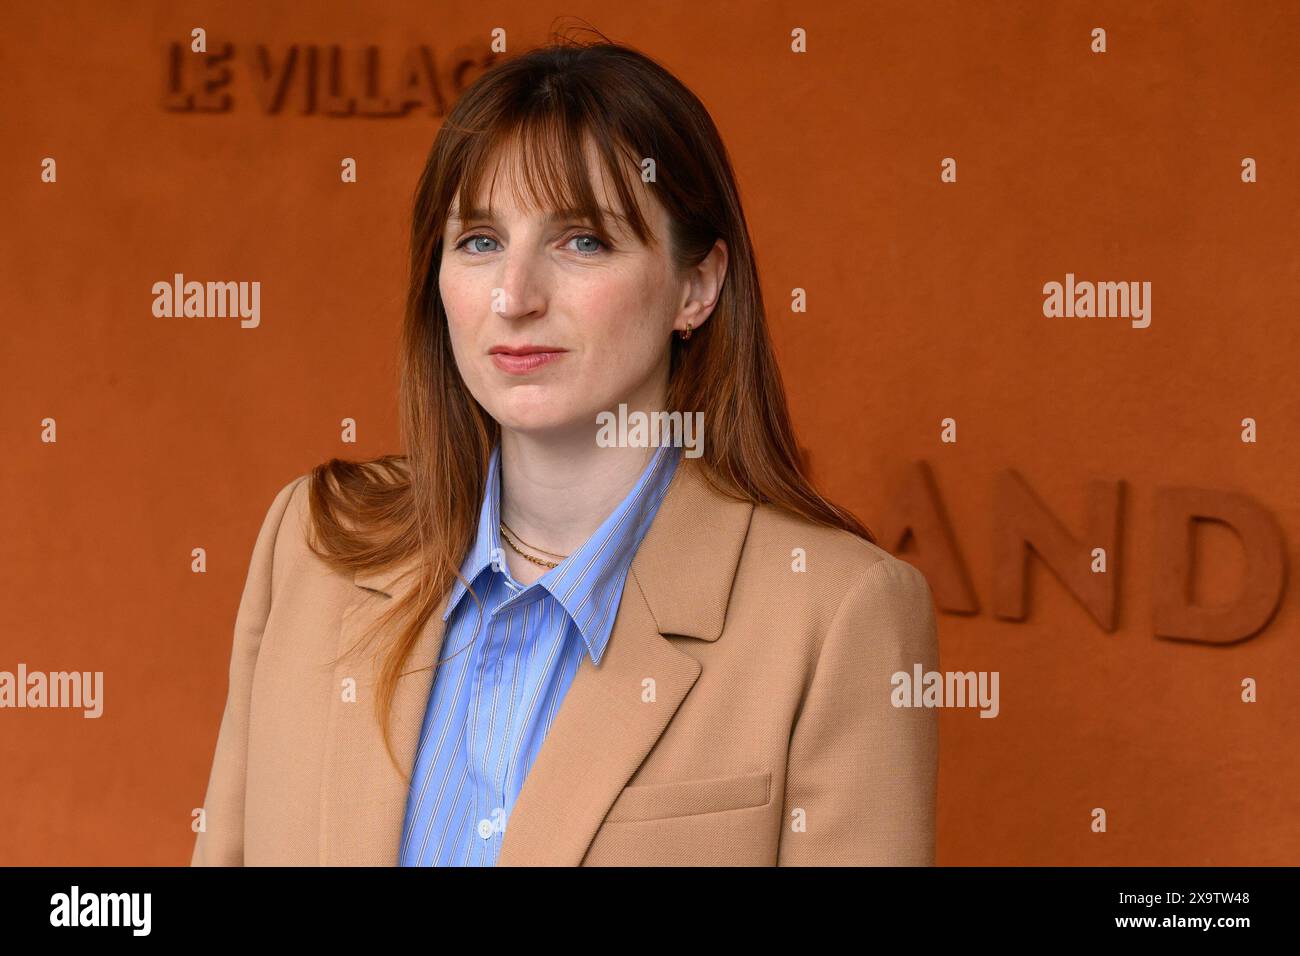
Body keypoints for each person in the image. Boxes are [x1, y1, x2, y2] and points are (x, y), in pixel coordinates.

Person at [191, 33, 939, 867]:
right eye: (478, 241)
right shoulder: (312, 542)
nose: (515, 296)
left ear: (697, 287)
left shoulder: (838, 615)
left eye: (582, 240)